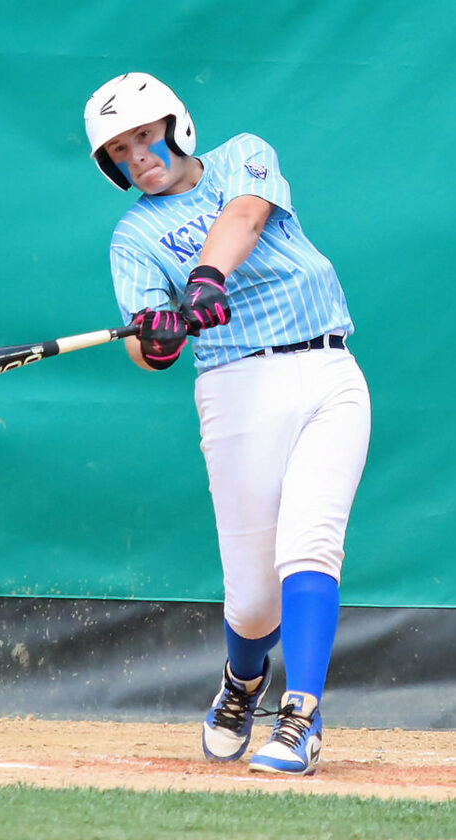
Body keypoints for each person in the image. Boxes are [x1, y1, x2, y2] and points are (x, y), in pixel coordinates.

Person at [83, 73, 371, 775]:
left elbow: (243, 218)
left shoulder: (245, 153)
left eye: (145, 136)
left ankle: (301, 715)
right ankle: (243, 683)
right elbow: (147, 354)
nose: (137, 156)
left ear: (176, 126)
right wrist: (157, 336)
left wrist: (207, 277)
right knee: (250, 603)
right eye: (120, 150)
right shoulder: (133, 236)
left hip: (327, 369)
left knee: (311, 544)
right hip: (235, 388)